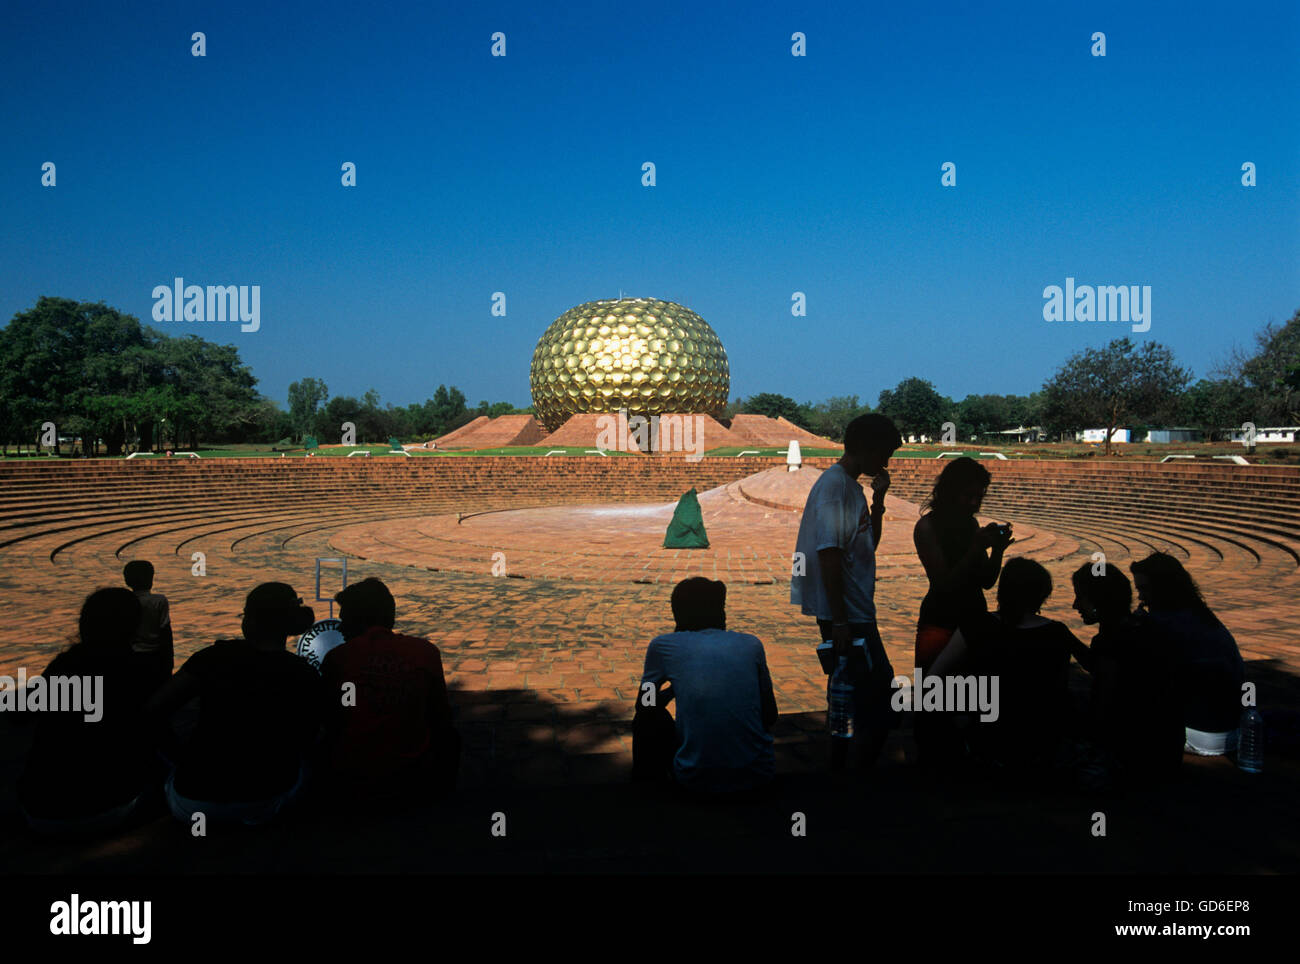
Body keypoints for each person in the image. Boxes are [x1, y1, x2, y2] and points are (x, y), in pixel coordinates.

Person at [146, 583, 322, 827]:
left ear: (249, 620)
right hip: (264, 803)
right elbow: (310, 737)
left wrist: (182, 758)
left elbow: (154, 709)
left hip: (192, 803)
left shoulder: (212, 657)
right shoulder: (304, 673)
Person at [790, 413, 902, 771]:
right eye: (884, 453)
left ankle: (843, 767)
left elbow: (867, 546)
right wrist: (839, 620)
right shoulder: (834, 487)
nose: (886, 463)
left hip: (854, 611)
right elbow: (829, 555)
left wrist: (879, 502)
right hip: (849, 616)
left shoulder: (851, 488)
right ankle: (853, 773)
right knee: (879, 696)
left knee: (848, 695)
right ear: (865, 448)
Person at [17, 588, 158, 837]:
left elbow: (20, 714)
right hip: (105, 813)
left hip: (38, 813)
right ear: (134, 626)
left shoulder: (63, 665)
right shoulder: (137, 671)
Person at [931, 558, 1087, 772]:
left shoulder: (976, 626)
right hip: (1042, 739)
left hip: (988, 735)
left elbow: (935, 675)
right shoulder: (1057, 632)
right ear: (1042, 594)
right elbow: (1094, 664)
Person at [318, 578, 459, 804]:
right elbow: (441, 716)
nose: (341, 627)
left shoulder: (339, 658)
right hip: (414, 777)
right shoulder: (425, 652)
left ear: (359, 620)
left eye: (345, 620)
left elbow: (333, 720)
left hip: (356, 782)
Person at [633, 577, 777, 796]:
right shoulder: (751, 644)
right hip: (759, 775)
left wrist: (674, 689)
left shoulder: (663, 646)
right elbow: (770, 715)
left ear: (677, 613)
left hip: (695, 779)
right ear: (721, 611)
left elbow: (645, 705)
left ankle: (648, 790)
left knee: (646, 721)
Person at [911, 457, 1013, 764]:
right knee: (935, 696)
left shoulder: (970, 525)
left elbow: (985, 581)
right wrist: (974, 549)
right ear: (950, 491)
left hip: (972, 619)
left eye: (979, 496)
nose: (974, 503)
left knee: (970, 696)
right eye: (968, 495)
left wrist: (997, 550)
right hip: (940, 622)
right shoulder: (927, 527)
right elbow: (943, 583)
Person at [1070, 563, 1183, 782]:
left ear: (1098, 599)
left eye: (1081, 597)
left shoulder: (1110, 641)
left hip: (1135, 759)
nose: (1075, 605)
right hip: (1168, 748)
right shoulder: (1142, 627)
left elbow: (1104, 705)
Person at [1130, 553, 1246, 756]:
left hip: (1199, 734)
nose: (1140, 597)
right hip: (1232, 730)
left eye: (1144, 589)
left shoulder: (1161, 624)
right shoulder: (1201, 615)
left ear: (1163, 588)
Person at [123, 560, 174, 691]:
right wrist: (169, 661)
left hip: (132, 657)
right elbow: (165, 631)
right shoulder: (159, 601)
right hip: (156, 656)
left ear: (127, 581)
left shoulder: (125, 601)